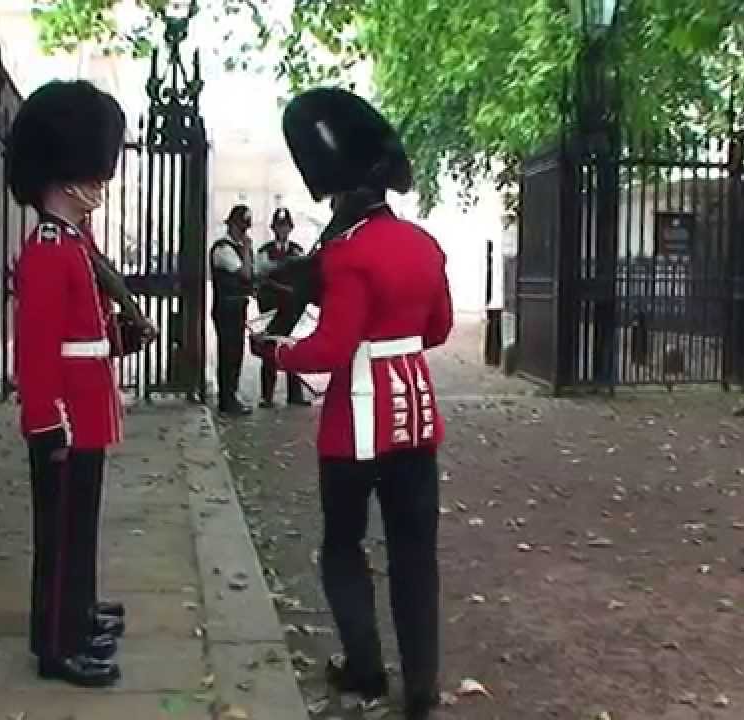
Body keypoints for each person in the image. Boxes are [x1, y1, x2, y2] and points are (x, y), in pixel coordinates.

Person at [250, 88, 453, 720]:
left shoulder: (346, 252)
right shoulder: (423, 244)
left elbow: (329, 351)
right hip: (416, 420)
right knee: (415, 554)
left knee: (344, 547)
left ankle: (365, 672)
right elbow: (440, 329)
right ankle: (421, 686)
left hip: (354, 430)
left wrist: (272, 349)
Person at [7, 79, 154, 687]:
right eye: (93, 169)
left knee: (81, 525)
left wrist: (123, 340)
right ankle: (56, 644)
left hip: (86, 406)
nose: (101, 180)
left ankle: (80, 612)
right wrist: (51, 426)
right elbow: (38, 354)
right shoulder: (46, 250)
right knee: (60, 536)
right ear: (67, 174)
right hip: (62, 418)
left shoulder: (72, 244)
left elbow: (85, 335)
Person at [254, 207, 310, 408]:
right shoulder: (265, 251)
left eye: (285, 226)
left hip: (292, 308)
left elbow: (304, 276)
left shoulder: (297, 250)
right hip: (271, 307)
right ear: (273, 228)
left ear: (291, 228)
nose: (282, 230)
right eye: (279, 226)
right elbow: (260, 274)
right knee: (270, 349)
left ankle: (295, 394)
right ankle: (267, 395)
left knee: (292, 347)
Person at [209, 204, 255, 415]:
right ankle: (226, 400)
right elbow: (245, 274)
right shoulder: (223, 249)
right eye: (240, 227)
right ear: (232, 225)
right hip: (226, 309)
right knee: (228, 354)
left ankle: (231, 396)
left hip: (238, 307)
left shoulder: (236, 247)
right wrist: (246, 250)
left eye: (245, 227)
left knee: (236, 353)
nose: (243, 232)